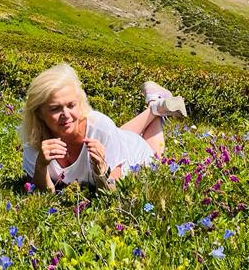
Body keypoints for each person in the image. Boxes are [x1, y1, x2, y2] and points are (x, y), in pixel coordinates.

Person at [21, 63, 187, 192]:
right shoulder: (34, 143)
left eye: (71, 105)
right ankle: (156, 106)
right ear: (39, 113)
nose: (66, 114)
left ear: (80, 103)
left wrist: (102, 170)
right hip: (118, 136)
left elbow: (112, 192)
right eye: (55, 108)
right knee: (116, 133)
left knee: (156, 156)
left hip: (134, 155)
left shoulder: (99, 127)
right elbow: (45, 194)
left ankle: (156, 108)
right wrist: (41, 165)